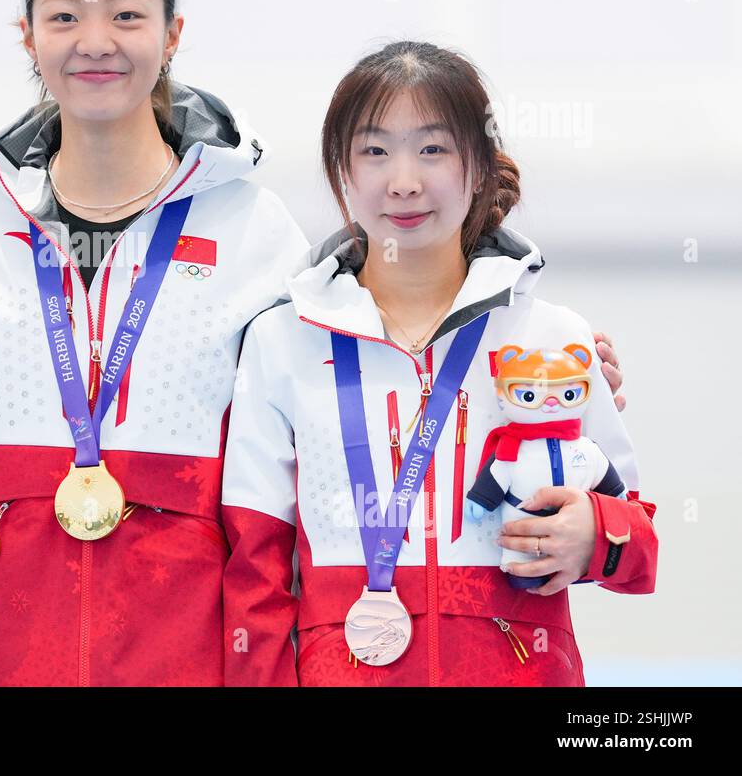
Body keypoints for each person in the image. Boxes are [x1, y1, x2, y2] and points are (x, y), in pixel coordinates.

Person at [0, 0, 313, 685]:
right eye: (64, 16)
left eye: (127, 15)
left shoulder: (254, 228)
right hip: (4, 626)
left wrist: (520, 353)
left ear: (173, 34)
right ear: (27, 36)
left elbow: (333, 397)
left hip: (190, 632)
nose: (95, 40)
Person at [221, 41, 657, 686]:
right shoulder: (283, 341)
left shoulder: (552, 338)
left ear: (479, 167)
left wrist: (597, 535)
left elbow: (638, 535)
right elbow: (253, 566)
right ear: (342, 171)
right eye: (374, 151)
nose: (404, 180)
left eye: (433, 149)